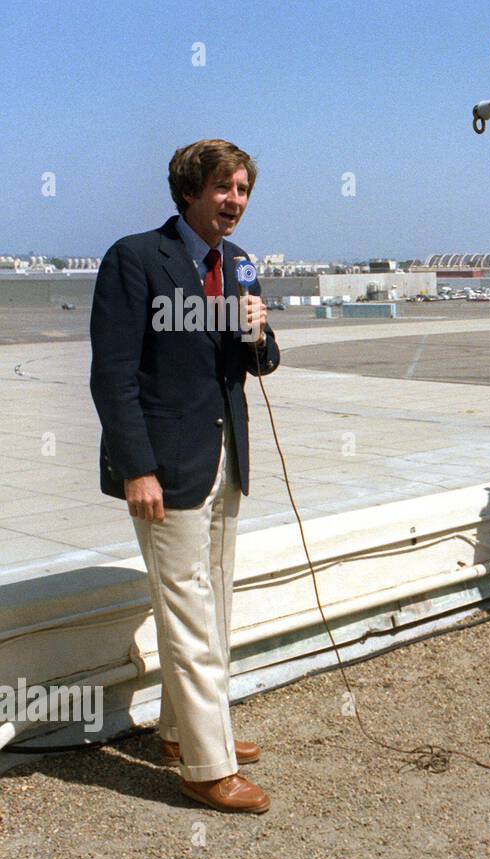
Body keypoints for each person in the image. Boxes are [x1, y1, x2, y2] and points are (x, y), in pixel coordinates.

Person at [90, 139, 280, 813]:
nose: (236, 202)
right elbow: (112, 377)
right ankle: (206, 765)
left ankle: (180, 732)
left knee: (215, 601)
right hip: (166, 467)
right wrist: (136, 467)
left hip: (227, 459)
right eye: (224, 189)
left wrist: (256, 330)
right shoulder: (135, 258)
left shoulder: (238, 265)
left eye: (243, 190)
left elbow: (263, 362)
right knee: (190, 610)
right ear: (190, 192)